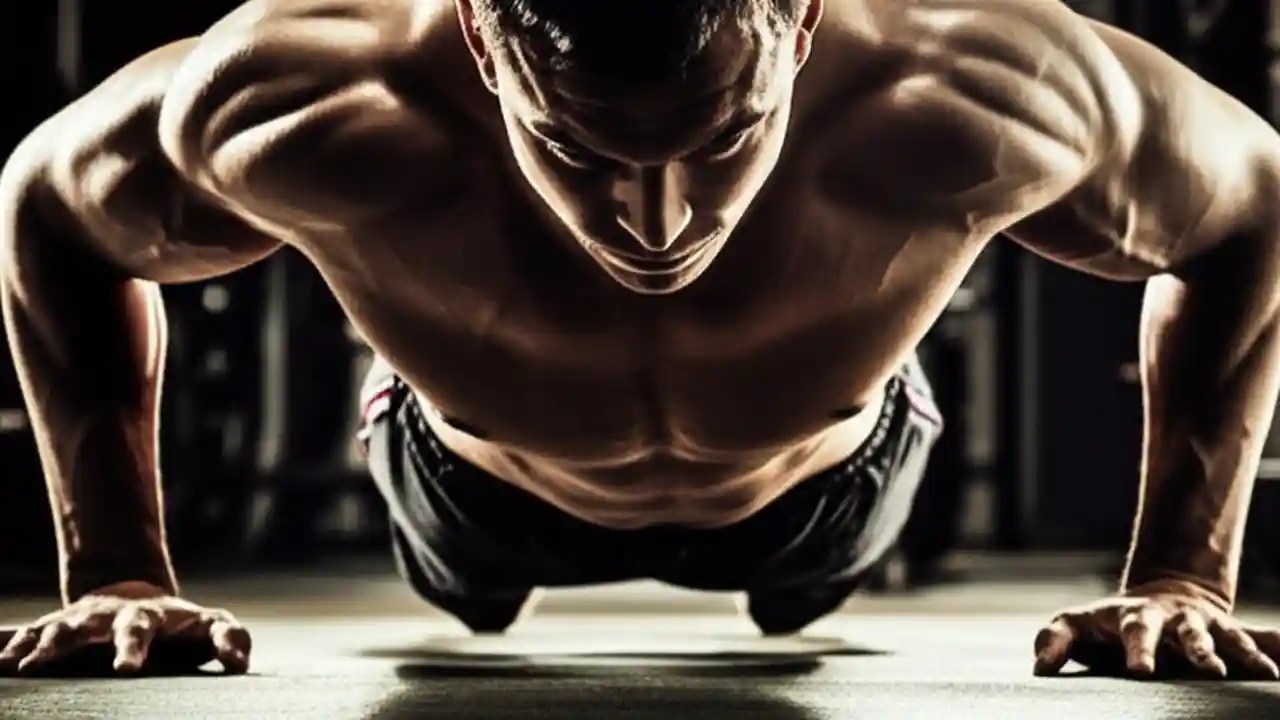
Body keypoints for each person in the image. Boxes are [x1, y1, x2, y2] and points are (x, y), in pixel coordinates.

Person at [1, 0, 1278, 680]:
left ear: (799, 23)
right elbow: (49, 207)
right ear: (484, 47)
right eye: (575, 146)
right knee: (470, 596)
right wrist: (118, 572)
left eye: (720, 139)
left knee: (803, 601)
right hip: (468, 488)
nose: (656, 221)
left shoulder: (977, 82)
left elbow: (1250, 208)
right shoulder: (304, 91)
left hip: (829, 484)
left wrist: (1178, 578)